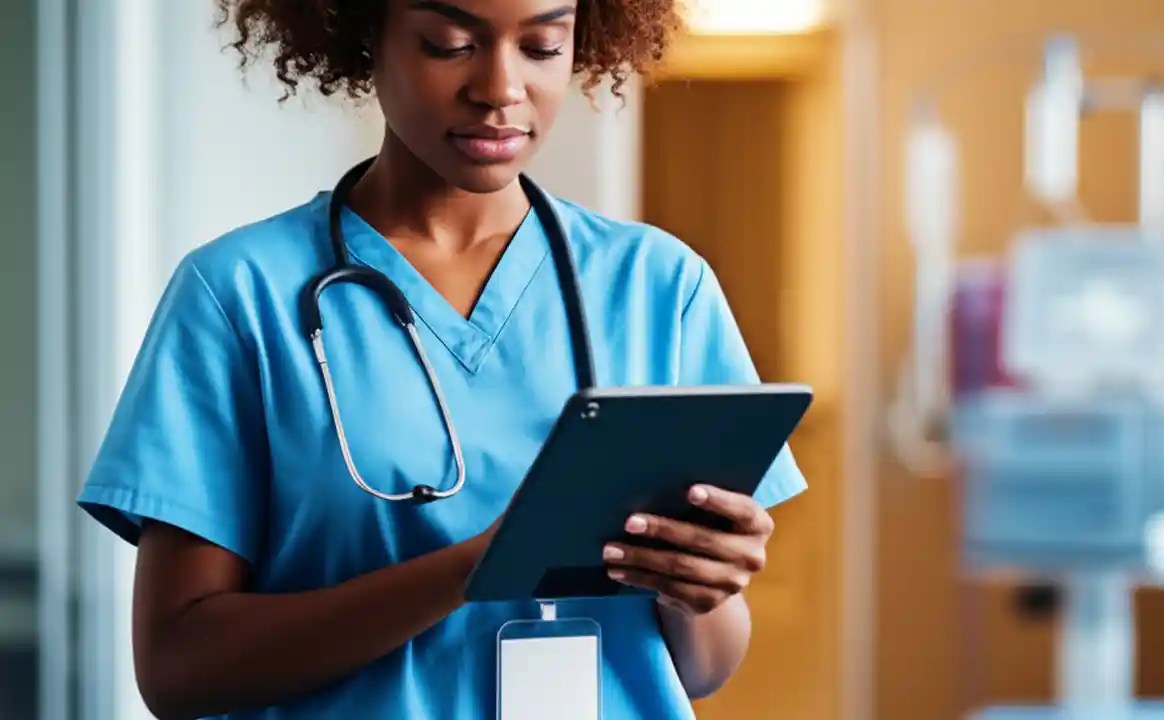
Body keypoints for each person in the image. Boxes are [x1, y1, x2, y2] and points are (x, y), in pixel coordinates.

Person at [77, 0, 807, 718]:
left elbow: (703, 669)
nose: (499, 89)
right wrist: (474, 568)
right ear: (366, 35)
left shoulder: (659, 287)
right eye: (449, 43)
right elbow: (178, 670)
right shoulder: (241, 295)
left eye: (543, 47)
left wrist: (699, 588)